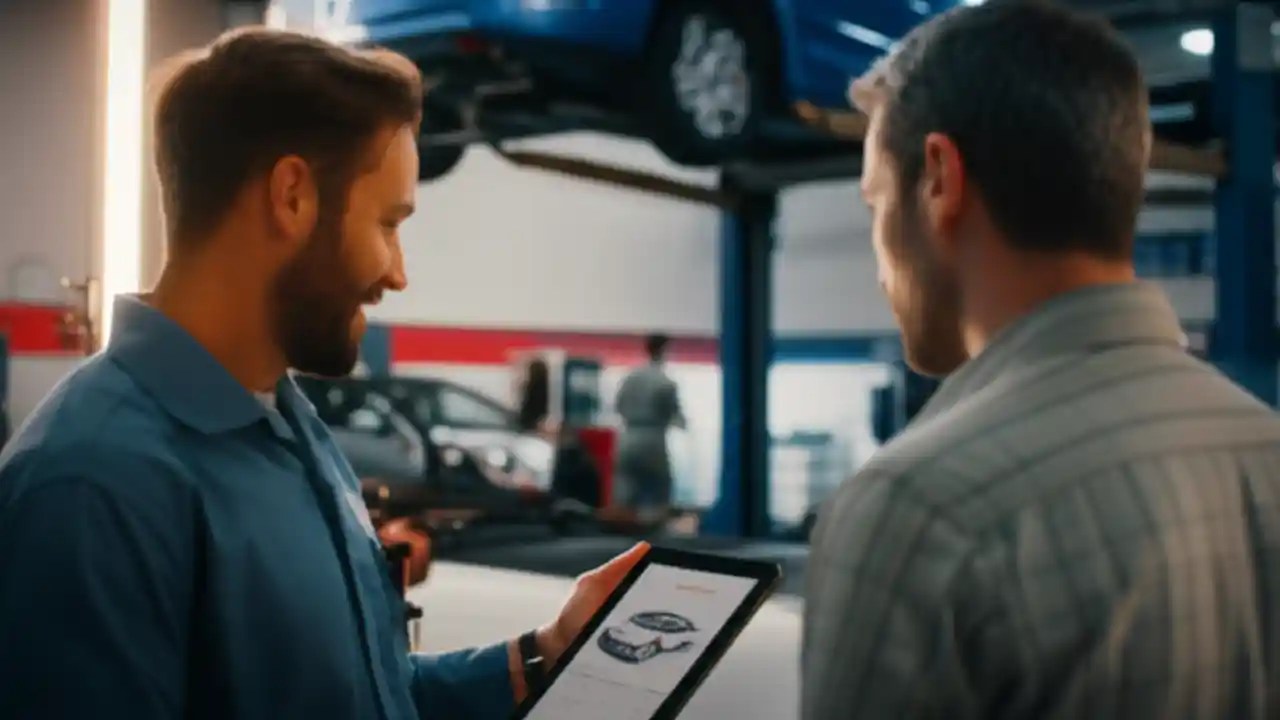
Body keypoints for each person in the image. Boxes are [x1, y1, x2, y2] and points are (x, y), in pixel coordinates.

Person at [0, 28, 648, 719]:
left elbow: (363, 697)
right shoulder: (91, 485)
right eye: (389, 224)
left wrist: (548, 651)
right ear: (292, 197)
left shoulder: (288, 427)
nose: (398, 273)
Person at [802, 2, 1280, 718]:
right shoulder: (1263, 448)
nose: (878, 263)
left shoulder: (918, 512)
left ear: (939, 178)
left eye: (876, 204)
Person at [612, 334, 685, 521]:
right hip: (652, 439)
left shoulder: (630, 378)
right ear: (664, 351)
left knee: (625, 490)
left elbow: (618, 407)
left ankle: (623, 539)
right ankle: (654, 540)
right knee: (658, 492)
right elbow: (675, 415)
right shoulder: (665, 382)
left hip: (627, 438)